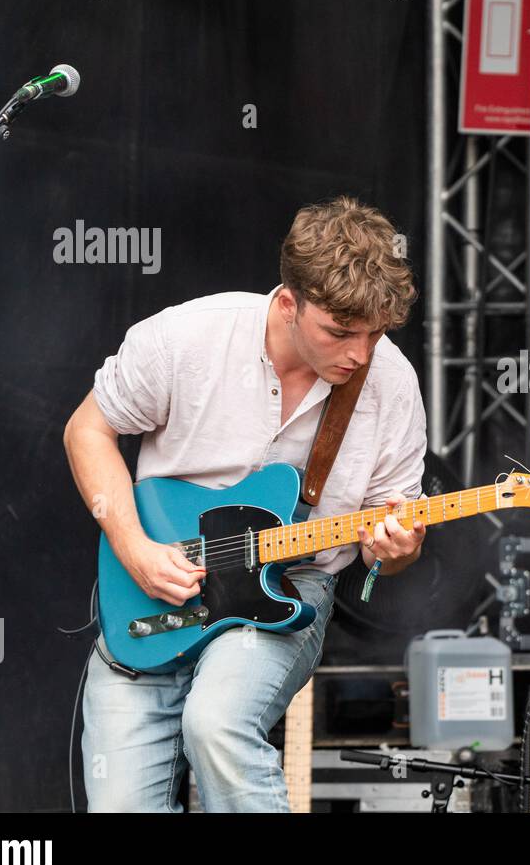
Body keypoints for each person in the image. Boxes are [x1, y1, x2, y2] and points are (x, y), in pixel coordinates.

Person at [63, 195, 428, 811]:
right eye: (340, 332)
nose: (360, 354)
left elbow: (390, 553)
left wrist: (397, 550)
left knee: (217, 725)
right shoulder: (186, 338)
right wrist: (134, 549)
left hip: (290, 584)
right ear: (288, 304)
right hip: (152, 584)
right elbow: (86, 430)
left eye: (375, 333)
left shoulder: (390, 384)